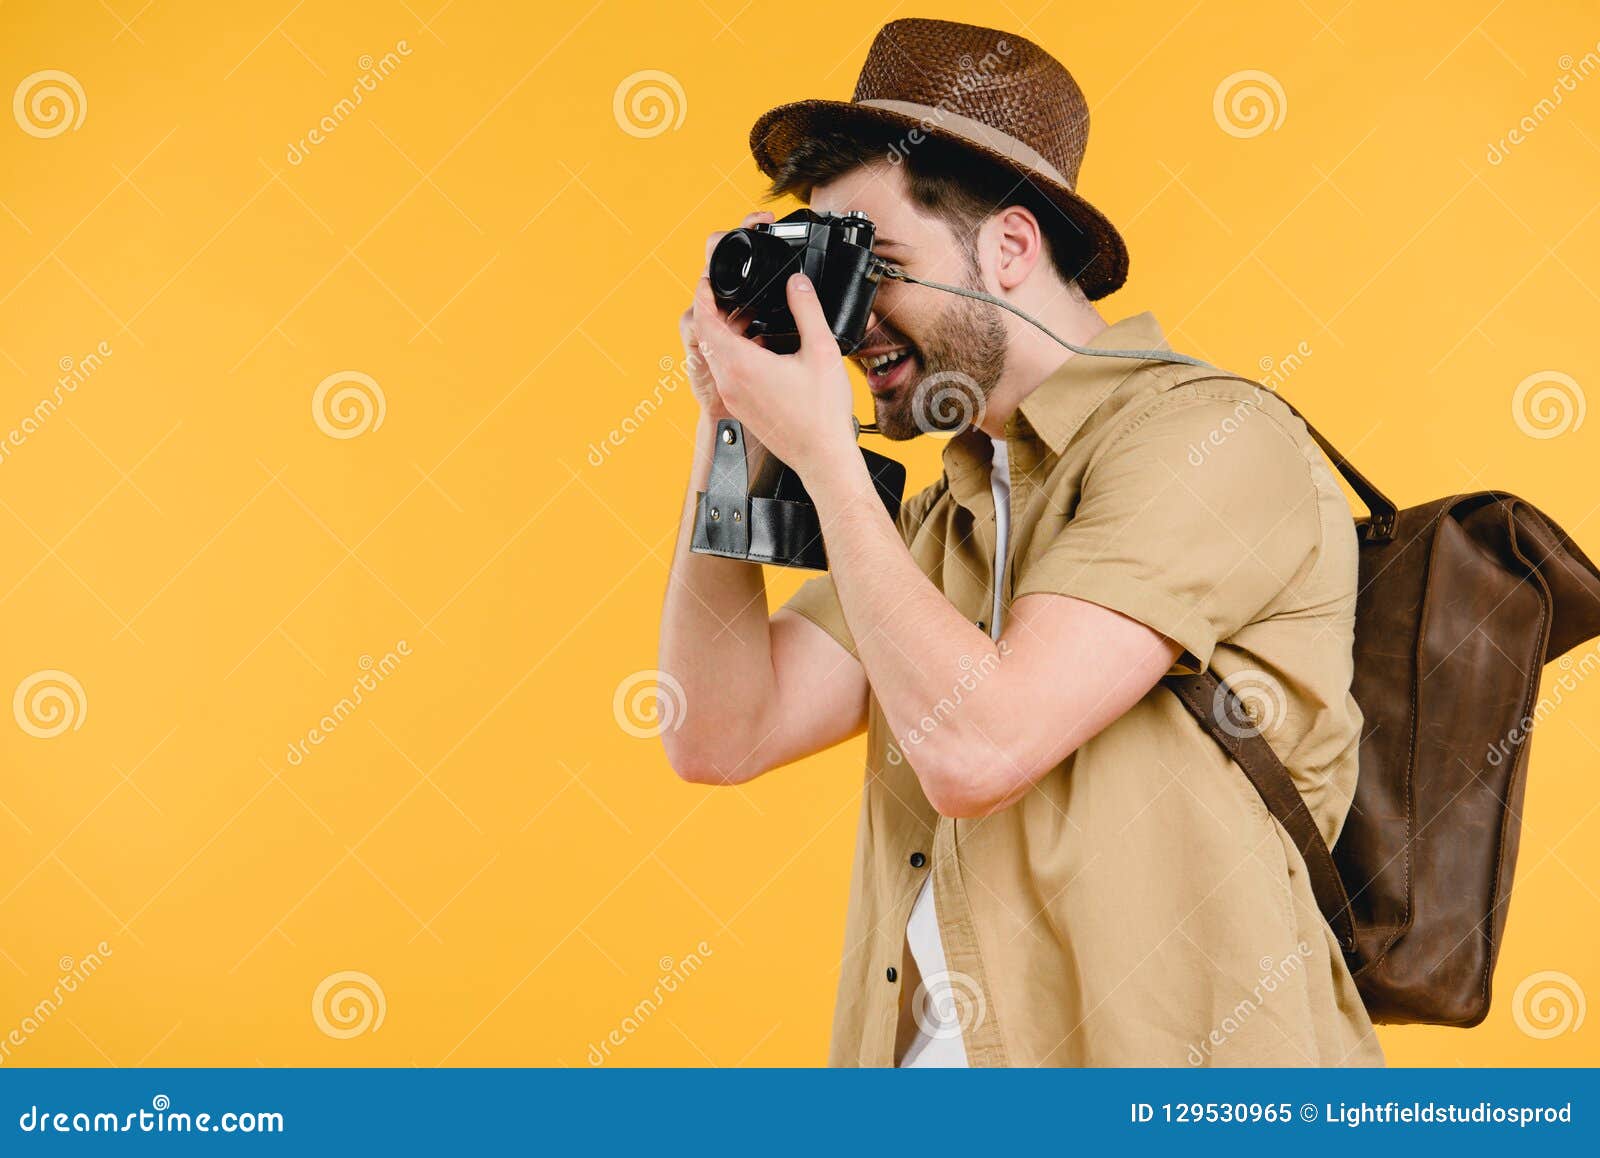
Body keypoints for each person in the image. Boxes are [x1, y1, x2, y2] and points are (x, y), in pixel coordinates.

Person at [657, 16, 1381, 1068]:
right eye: (830, 279)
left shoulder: (1210, 437)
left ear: (1007, 248)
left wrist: (822, 453)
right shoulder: (943, 515)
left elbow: (977, 747)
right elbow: (720, 732)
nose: (848, 324)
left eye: (876, 266)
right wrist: (732, 427)